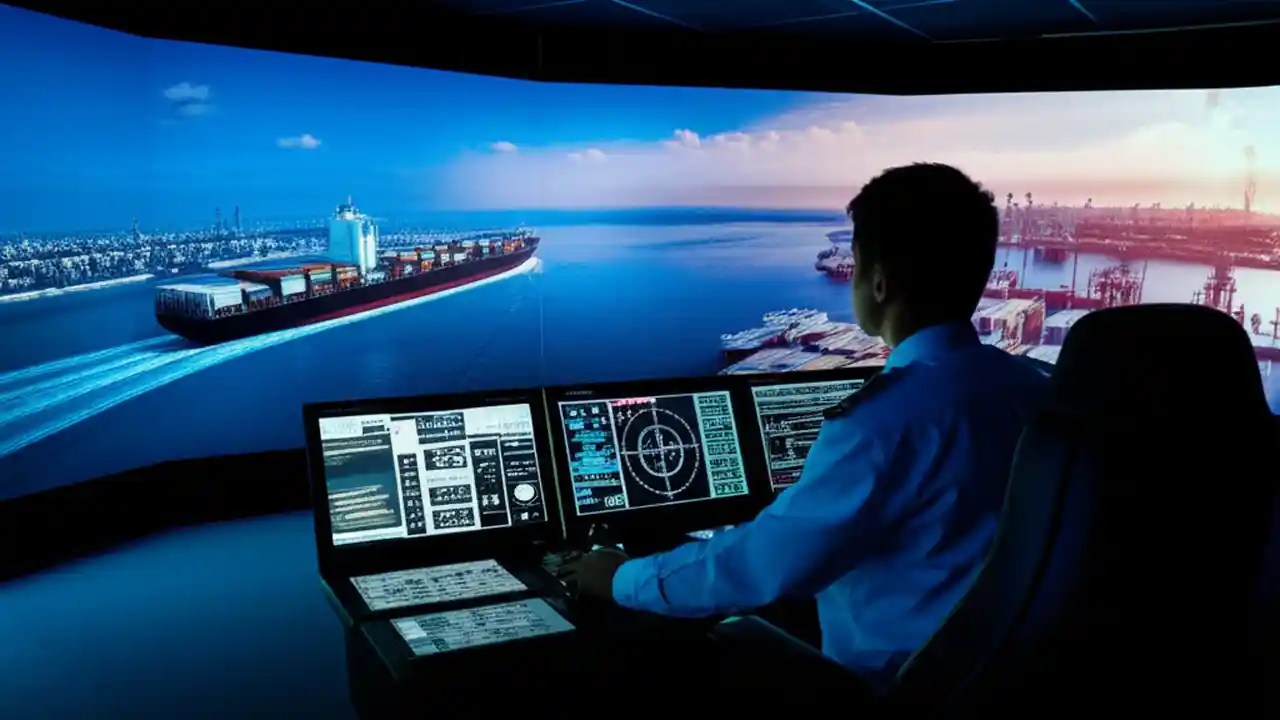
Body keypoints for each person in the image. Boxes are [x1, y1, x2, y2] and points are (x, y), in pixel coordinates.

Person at [566, 163, 1050, 692]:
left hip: (893, 692)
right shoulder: (1034, 388)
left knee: (723, 642)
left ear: (880, 281)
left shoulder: (883, 423)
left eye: (857, 262)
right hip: (1002, 682)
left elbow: (762, 567)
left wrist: (618, 577)